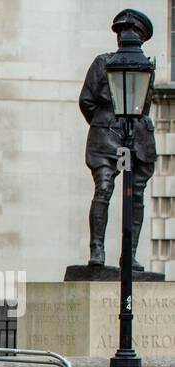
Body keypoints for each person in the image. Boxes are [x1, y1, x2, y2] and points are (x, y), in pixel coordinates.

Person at [79, 9, 156, 268]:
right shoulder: (102, 62)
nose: (127, 36)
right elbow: (86, 100)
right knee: (104, 188)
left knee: (137, 194)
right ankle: (97, 249)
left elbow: (143, 106)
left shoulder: (145, 67)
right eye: (124, 31)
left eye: (133, 33)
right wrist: (106, 122)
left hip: (136, 135)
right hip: (107, 133)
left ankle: (129, 253)